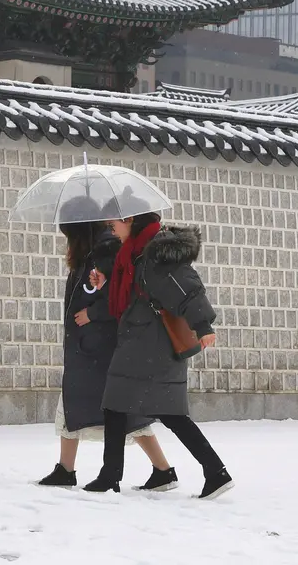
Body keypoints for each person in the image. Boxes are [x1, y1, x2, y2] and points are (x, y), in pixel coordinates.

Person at [82, 210, 234, 500]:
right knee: (121, 406)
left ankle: (213, 471)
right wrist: (107, 281)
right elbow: (137, 290)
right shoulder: (134, 253)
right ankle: (212, 471)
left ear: (130, 220)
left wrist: (203, 325)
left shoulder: (156, 253)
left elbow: (186, 287)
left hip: (153, 345)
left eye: (113, 220)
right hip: (140, 341)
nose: (109, 226)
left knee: (159, 411)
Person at [38, 199, 177, 491]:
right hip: (88, 347)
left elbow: (118, 297)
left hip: (99, 348)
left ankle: (160, 470)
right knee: (84, 406)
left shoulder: (105, 251)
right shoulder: (93, 250)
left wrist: (92, 313)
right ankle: (67, 468)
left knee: (118, 409)